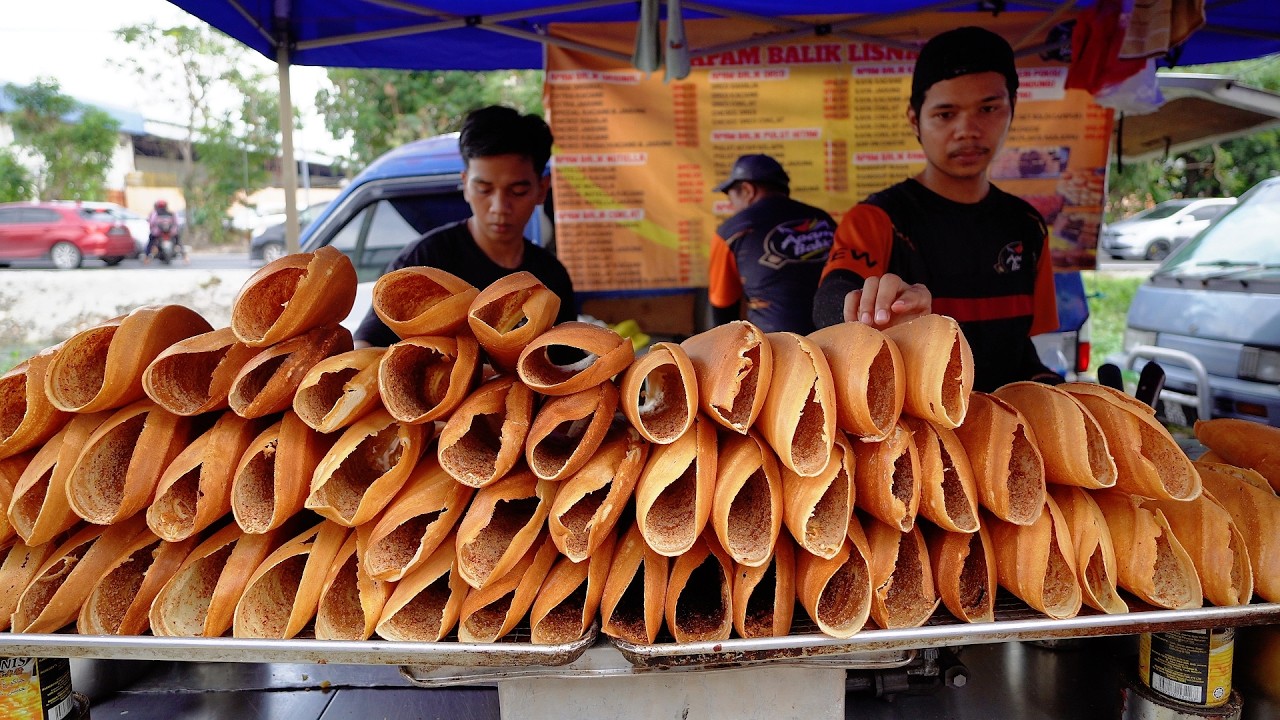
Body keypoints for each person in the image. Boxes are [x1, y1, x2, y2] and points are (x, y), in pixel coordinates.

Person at [812, 26, 1061, 392]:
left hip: (1005, 433)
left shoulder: (1027, 226)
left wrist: (1052, 387)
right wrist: (873, 313)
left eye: (988, 108)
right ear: (915, 119)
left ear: (1012, 109)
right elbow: (831, 301)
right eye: (946, 114)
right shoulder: (878, 218)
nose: (968, 130)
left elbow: (1018, 348)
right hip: (913, 439)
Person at [354, 106, 576, 348]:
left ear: (541, 190)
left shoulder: (551, 276)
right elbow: (366, 344)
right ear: (466, 186)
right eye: (484, 189)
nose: (499, 207)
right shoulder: (424, 262)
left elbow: (568, 365)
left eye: (517, 191)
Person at [707, 154, 835, 334]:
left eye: (731, 198)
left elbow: (723, 306)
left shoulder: (730, 233)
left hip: (778, 348)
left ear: (747, 190)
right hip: (836, 340)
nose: (731, 206)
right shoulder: (823, 219)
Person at [145, 199, 185, 264]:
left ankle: (146, 257)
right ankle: (185, 257)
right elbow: (176, 222)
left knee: (151, 242)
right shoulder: (171, 213)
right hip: (171, 233)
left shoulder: (155, 213)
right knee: (178, 242)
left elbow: (151, 222)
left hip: (158, 233)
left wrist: (152, 228)